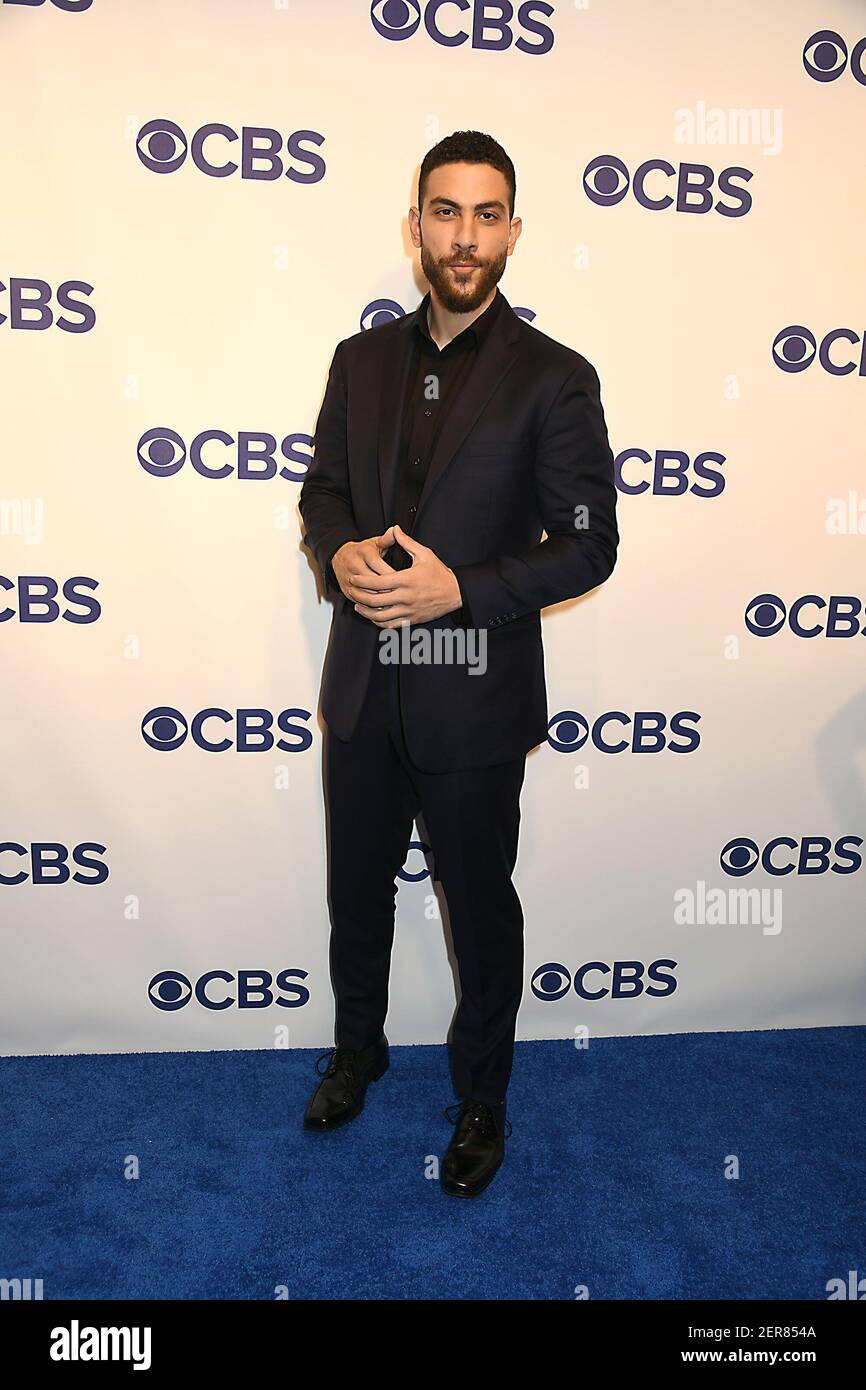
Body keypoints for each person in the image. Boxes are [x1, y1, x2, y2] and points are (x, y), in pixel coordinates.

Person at [298, 130, 619, 1197]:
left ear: (513, 231)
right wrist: (335, 546)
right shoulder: (361, 361)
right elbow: (324, 492)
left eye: (486, 215)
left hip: (472, 696)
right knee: (357, 890)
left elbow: (586, 543)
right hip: (360, 684)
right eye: (445, 211)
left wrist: (462, 591)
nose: (464, 236)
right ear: (415, 225)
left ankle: (482, 1093)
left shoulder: (555, 380)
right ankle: (358, 1047)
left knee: (478, 905)